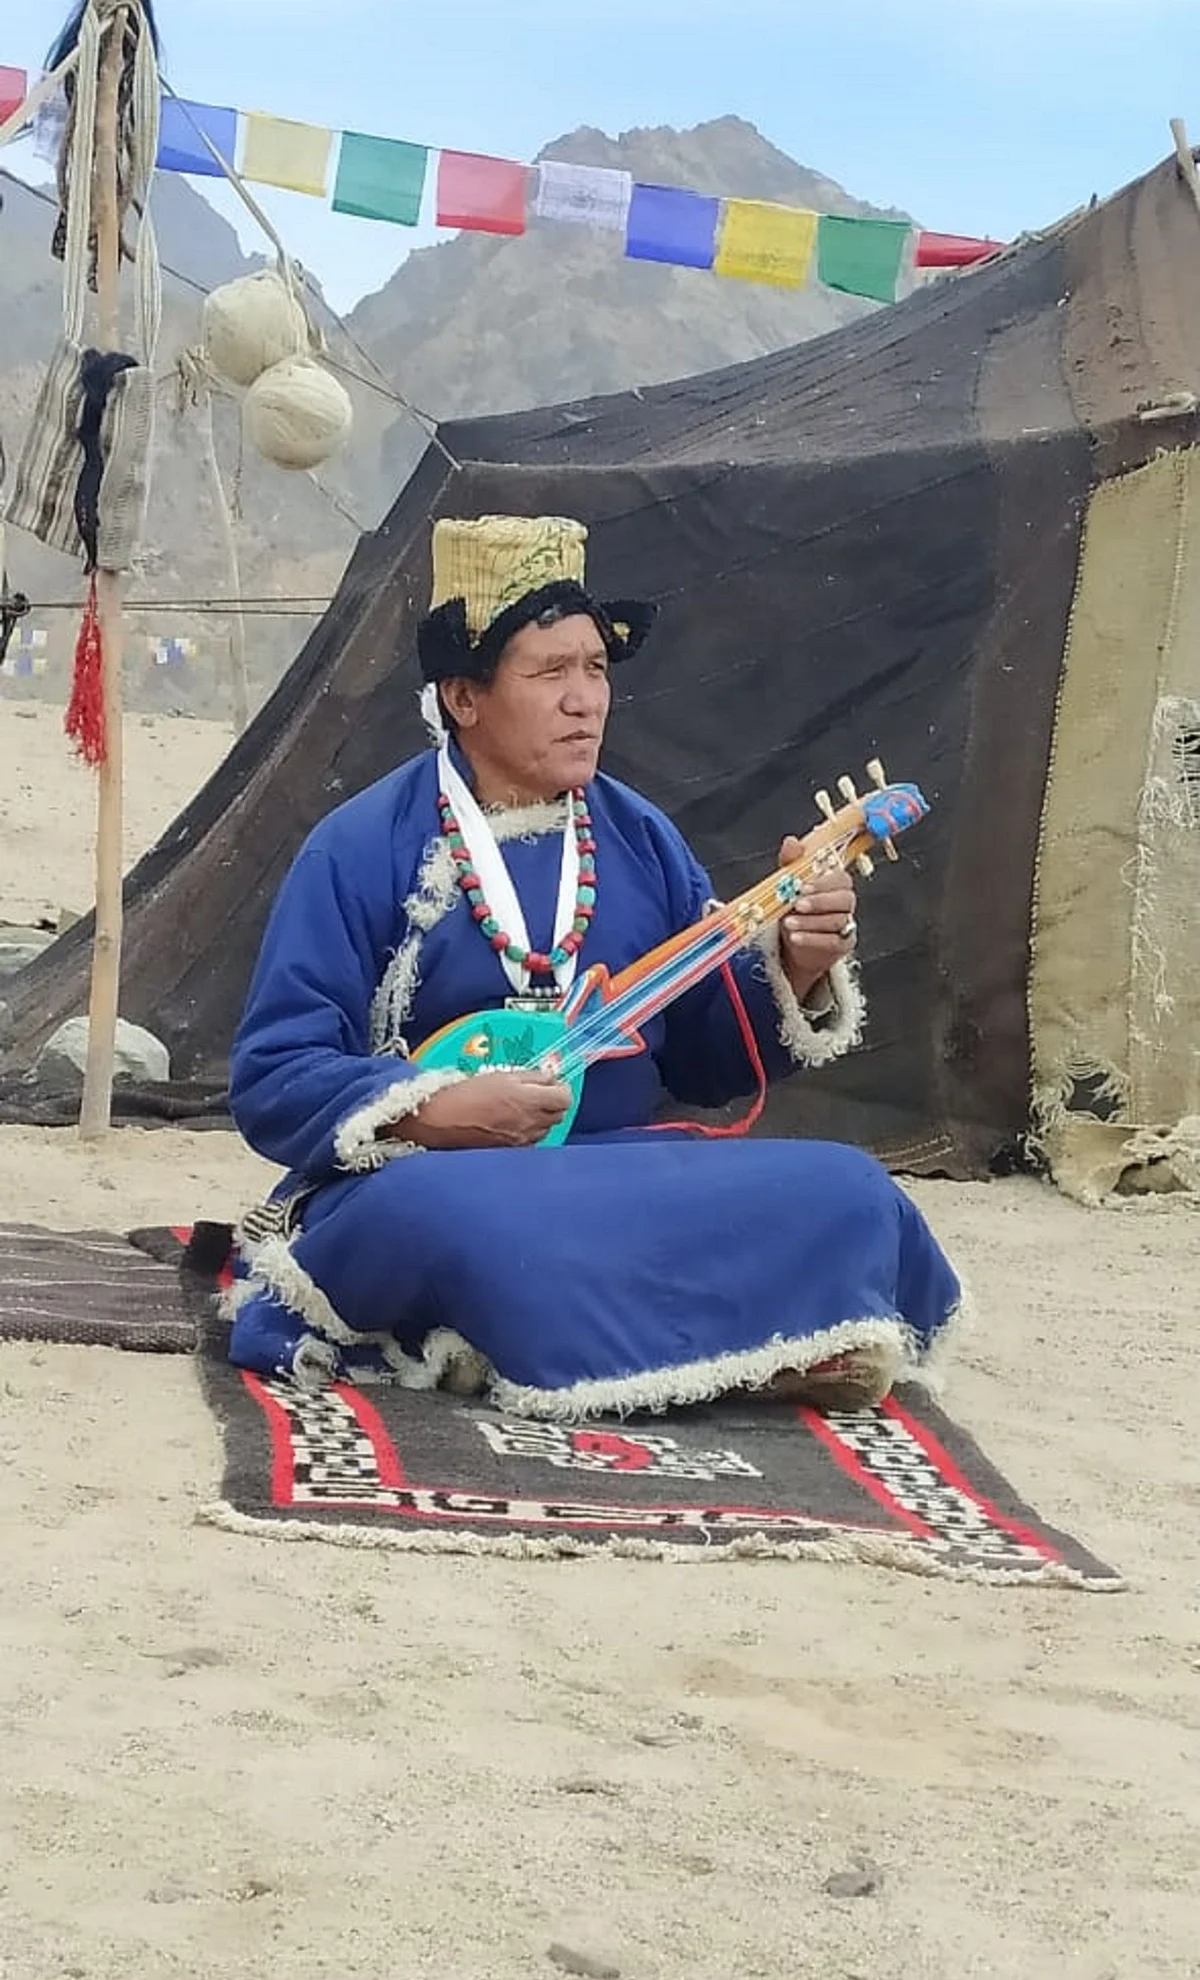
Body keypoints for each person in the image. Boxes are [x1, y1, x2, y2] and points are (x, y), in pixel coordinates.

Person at [227, 514, 960, 1417]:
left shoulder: (638, 836)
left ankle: (624, 1348)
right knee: (468, 1225)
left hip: (619, 1171)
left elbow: (701, 1059)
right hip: (435, 1181)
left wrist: (796, 965)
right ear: (464, 696)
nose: (587, 699)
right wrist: (435, 1110)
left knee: (850, 1190)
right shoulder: (359, 849)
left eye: (597, 669)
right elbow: (274, 1076)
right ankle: (737, 1345)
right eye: (550, 673)